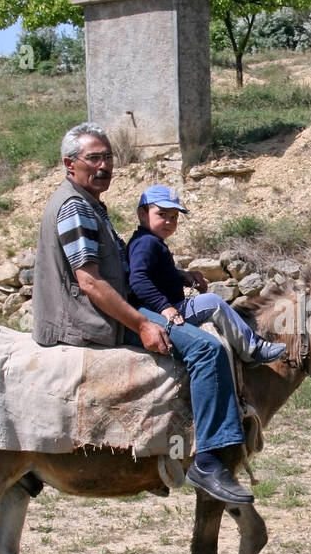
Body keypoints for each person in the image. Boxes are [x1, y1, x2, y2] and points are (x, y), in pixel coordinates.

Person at [31, 122, 253, 505]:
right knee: (207, 350)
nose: (104, 166)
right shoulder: (74, 207)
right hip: (90, 318)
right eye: (94, 158)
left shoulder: (88, 204)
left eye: (108, 157)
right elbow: (91, 283)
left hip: (105, 310)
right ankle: (210, 461)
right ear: (70, 164)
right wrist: (141, 323)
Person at [128, 185, 286, 365]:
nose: (169, 221)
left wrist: (183, 276)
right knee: (214, 302)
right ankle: (253, 350)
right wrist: (165, 307)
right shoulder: (146, 243)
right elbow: (138, 279)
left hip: (166, 306)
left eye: (174, 217)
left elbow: (156, 273)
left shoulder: (150, 241)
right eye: (162, 214)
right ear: (142, 213)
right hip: (162, 310)